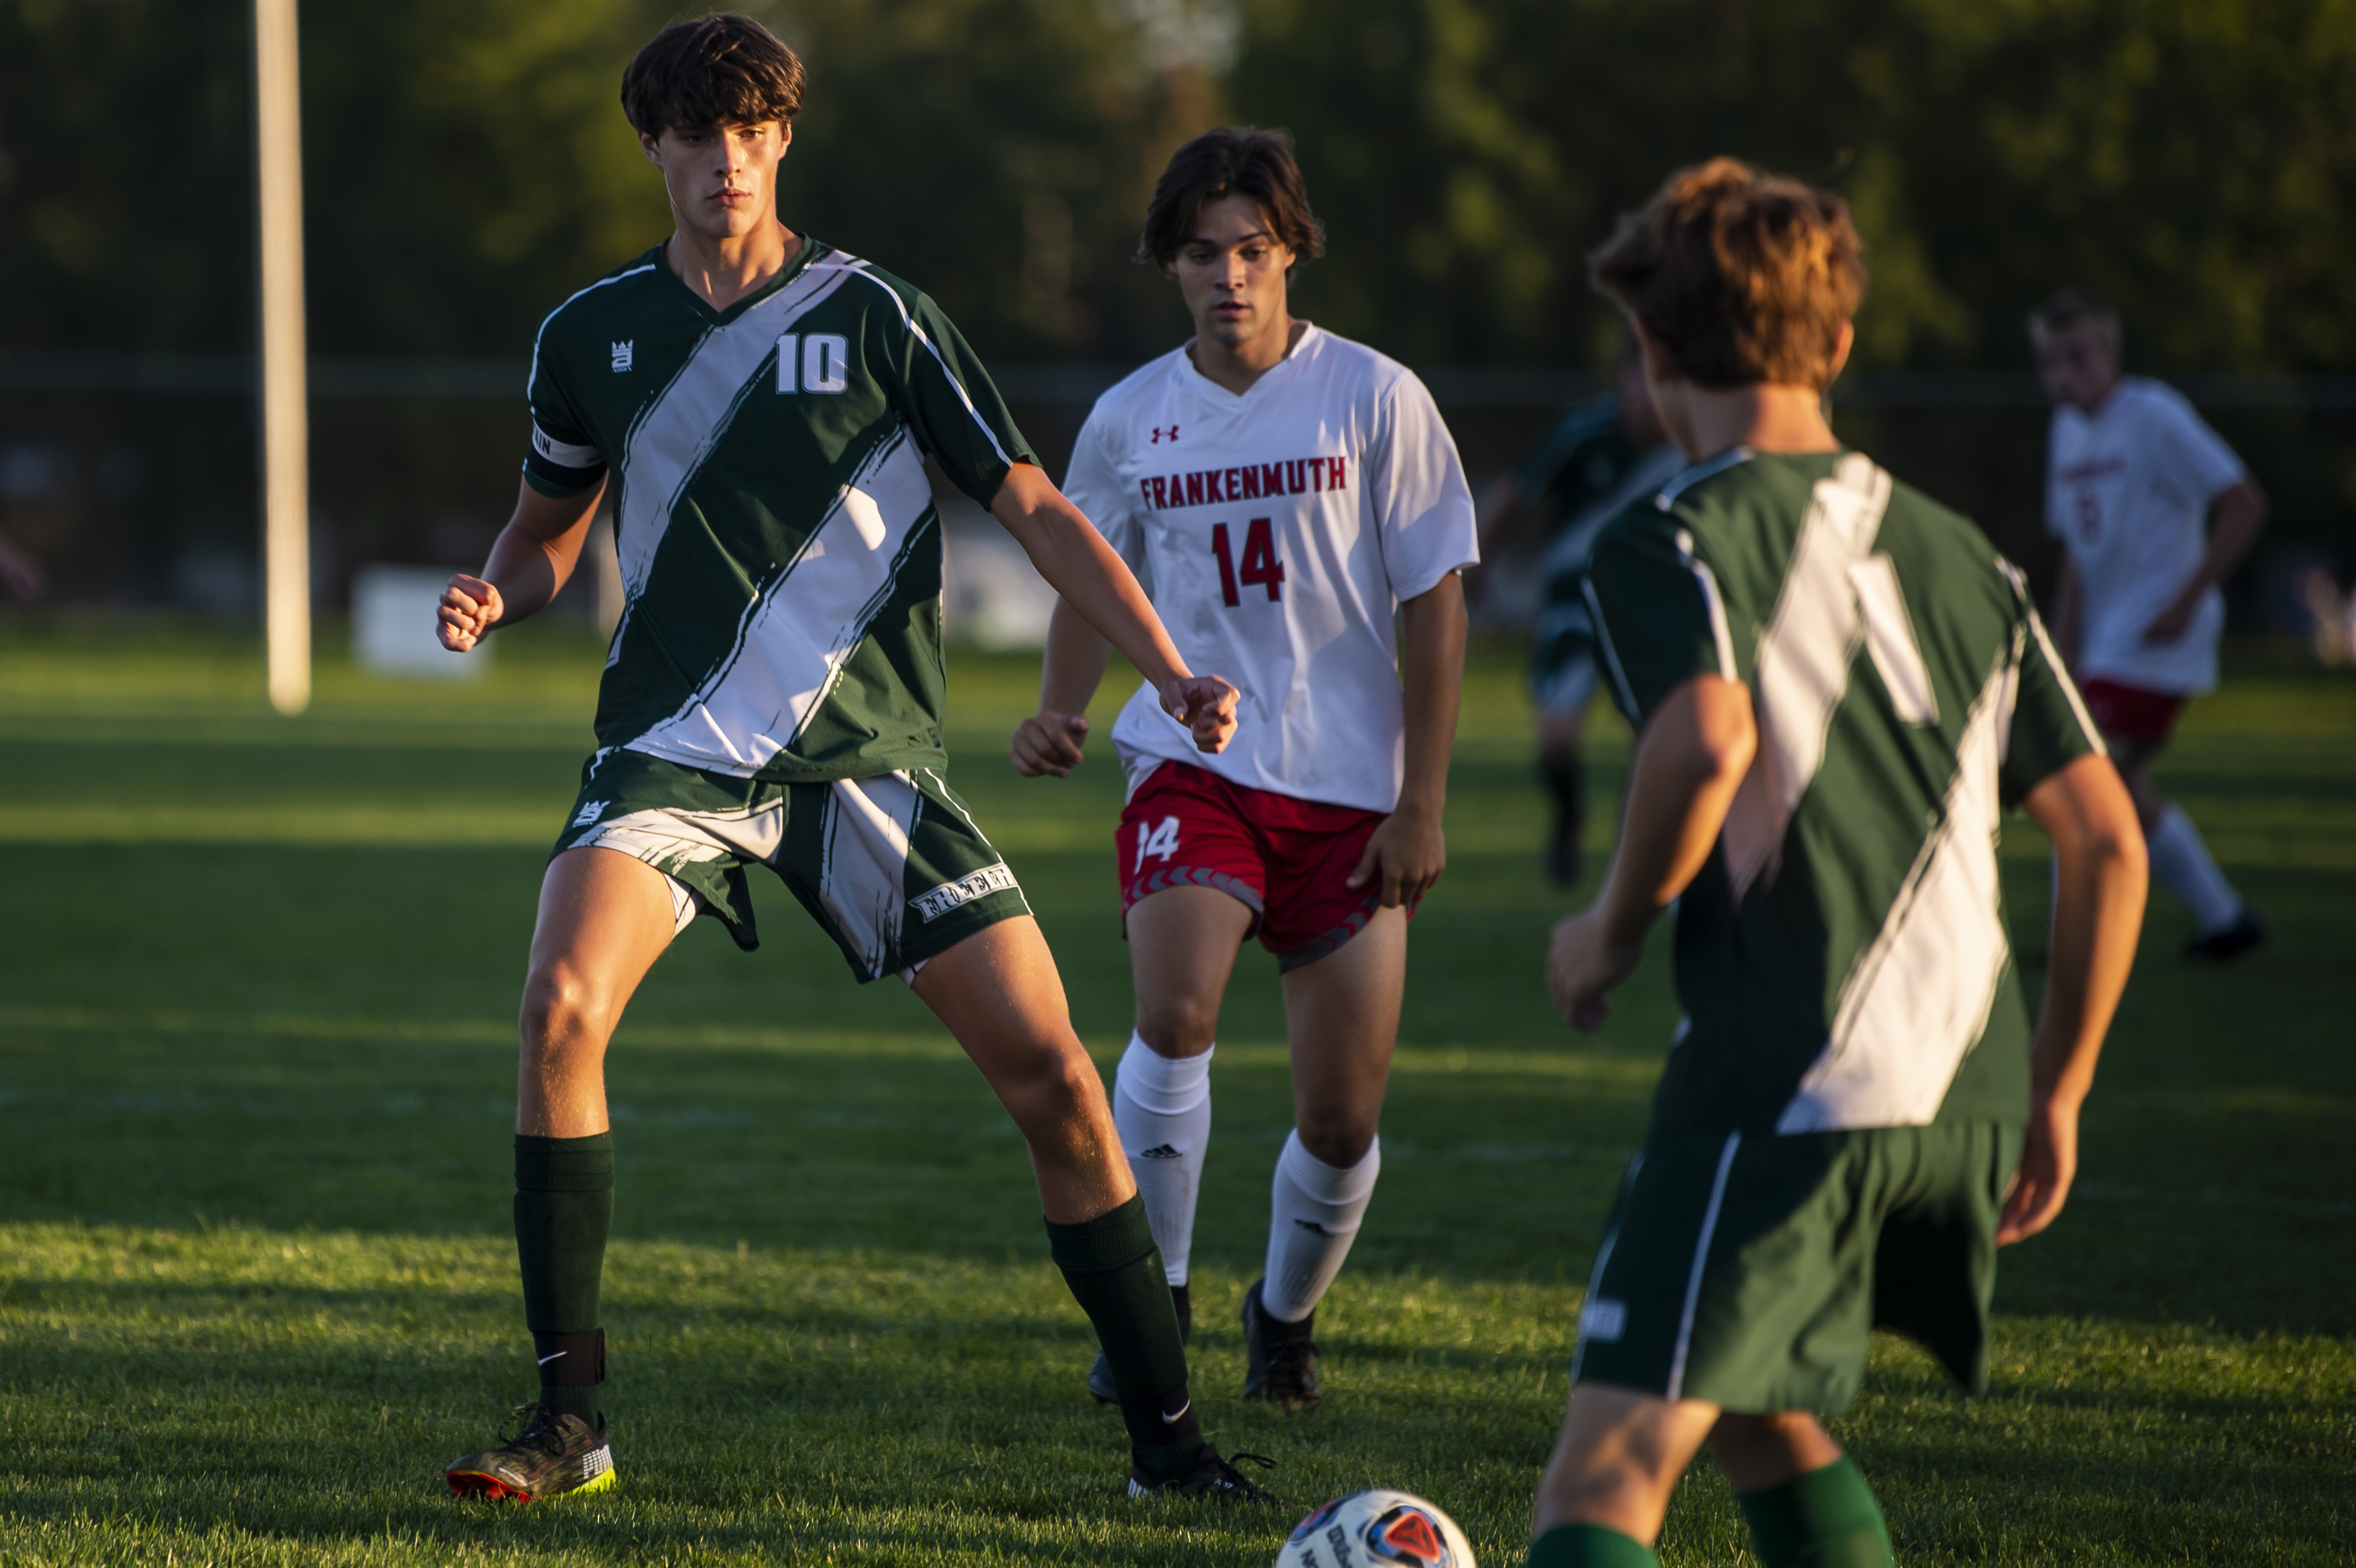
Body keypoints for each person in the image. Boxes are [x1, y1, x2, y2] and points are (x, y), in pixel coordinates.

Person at [430, 13, 1276, 1507]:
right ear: (654, 145)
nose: (729, 160)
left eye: (754, 132)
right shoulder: (590, 334)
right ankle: (570, 1420)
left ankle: (1170, 1444)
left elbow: (1034, 505)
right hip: (676, 748)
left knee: (1056, 1079)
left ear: (784, 141)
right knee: (558, 1008)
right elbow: (546, 529)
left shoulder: (878, 313)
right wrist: (502, 590)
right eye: (702, 134)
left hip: (864, 758)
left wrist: (1167, 666)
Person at [1524, 160, 2149, 1568]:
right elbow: (2107, 836)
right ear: (1843, 342)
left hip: (1789, 1071)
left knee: (1603, 1473)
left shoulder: (1672, 535)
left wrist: (1608, 928)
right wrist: (2057, 1085)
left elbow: (1704, 738)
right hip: (1967, 1084)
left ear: (1652, 349)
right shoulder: (1965, 556)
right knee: (1755, 1411)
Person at [1009, 127, 1477, 1414]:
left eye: (1251, 250)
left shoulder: (1374, 397)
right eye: (1201, 252)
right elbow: (1089, 573)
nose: (1228, 275)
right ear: (1169, 264)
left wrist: (1421, 800)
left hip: (1352, 797)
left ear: (1292, 253)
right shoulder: (1127, 417)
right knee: (1174, 1016)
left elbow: (1436, 600)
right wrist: (1060, 708)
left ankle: (1282, 1320)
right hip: (1194, 767)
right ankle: (1150, 1303)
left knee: (1339, 1120)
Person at [2032, 290, 2270, 960]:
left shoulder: (2154, 414)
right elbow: (2076, 551)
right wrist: (2062, 638)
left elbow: (2244, 503)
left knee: (2078, 774)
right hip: (2110, 642)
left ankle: (2070, 943)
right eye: (2050, 361)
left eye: (2077, 357)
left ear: (2111, 355)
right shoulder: (2065, 430)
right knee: (2119, 788)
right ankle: (2226, 921)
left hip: (2156, 637)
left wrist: (2186, 599)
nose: (2062, 374)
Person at [1479, 339, 1683, 884]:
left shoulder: (1690, 443)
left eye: (1660, 378)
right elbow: (1515, 492)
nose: (1648, 394)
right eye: (1638, 378)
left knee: (1658, 738)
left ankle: (1636, 853)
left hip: (1649, 609)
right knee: (1557, 737)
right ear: (1620, 380)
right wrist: (1477, 563)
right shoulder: (1583, 433)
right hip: (1574, 600)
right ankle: (1568, 817)